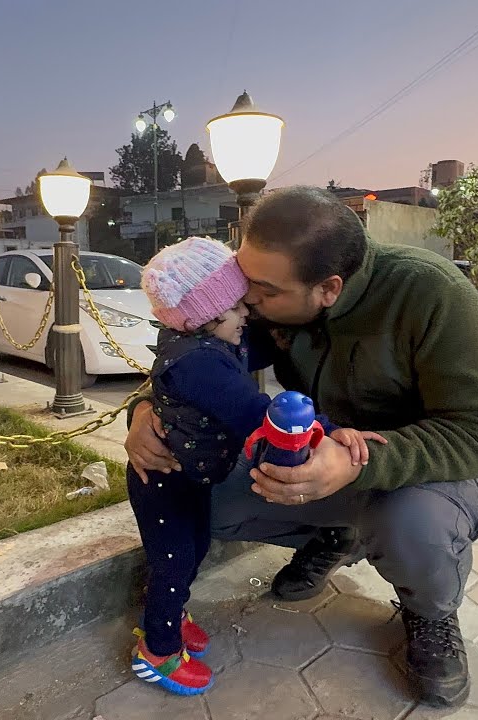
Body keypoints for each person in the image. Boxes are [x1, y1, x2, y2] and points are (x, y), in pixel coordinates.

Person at [126, 186, 478, 707]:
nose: (247, 302)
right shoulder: (270, 291)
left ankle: (430, 612)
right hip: (308, 449)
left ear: (328, 289)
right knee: (193, 500)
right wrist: (147, 411)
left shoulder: (431, 293)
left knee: (412, 527)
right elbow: (202, 365)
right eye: (242, 284)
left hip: (409, 473)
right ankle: (333, 534)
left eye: (260, 291)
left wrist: (356, 462)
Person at [129, 236, 379, 695]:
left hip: (191, 473)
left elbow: (259, 346)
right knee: (175, 557)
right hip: (165, 480)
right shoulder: (198, 364)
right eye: (238, 309)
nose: (249, 316)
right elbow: (255, 412)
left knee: (192, 548)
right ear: (205, 319)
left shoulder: (207, 339)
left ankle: (170, 613)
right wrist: (328, 429)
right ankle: (157, 651)